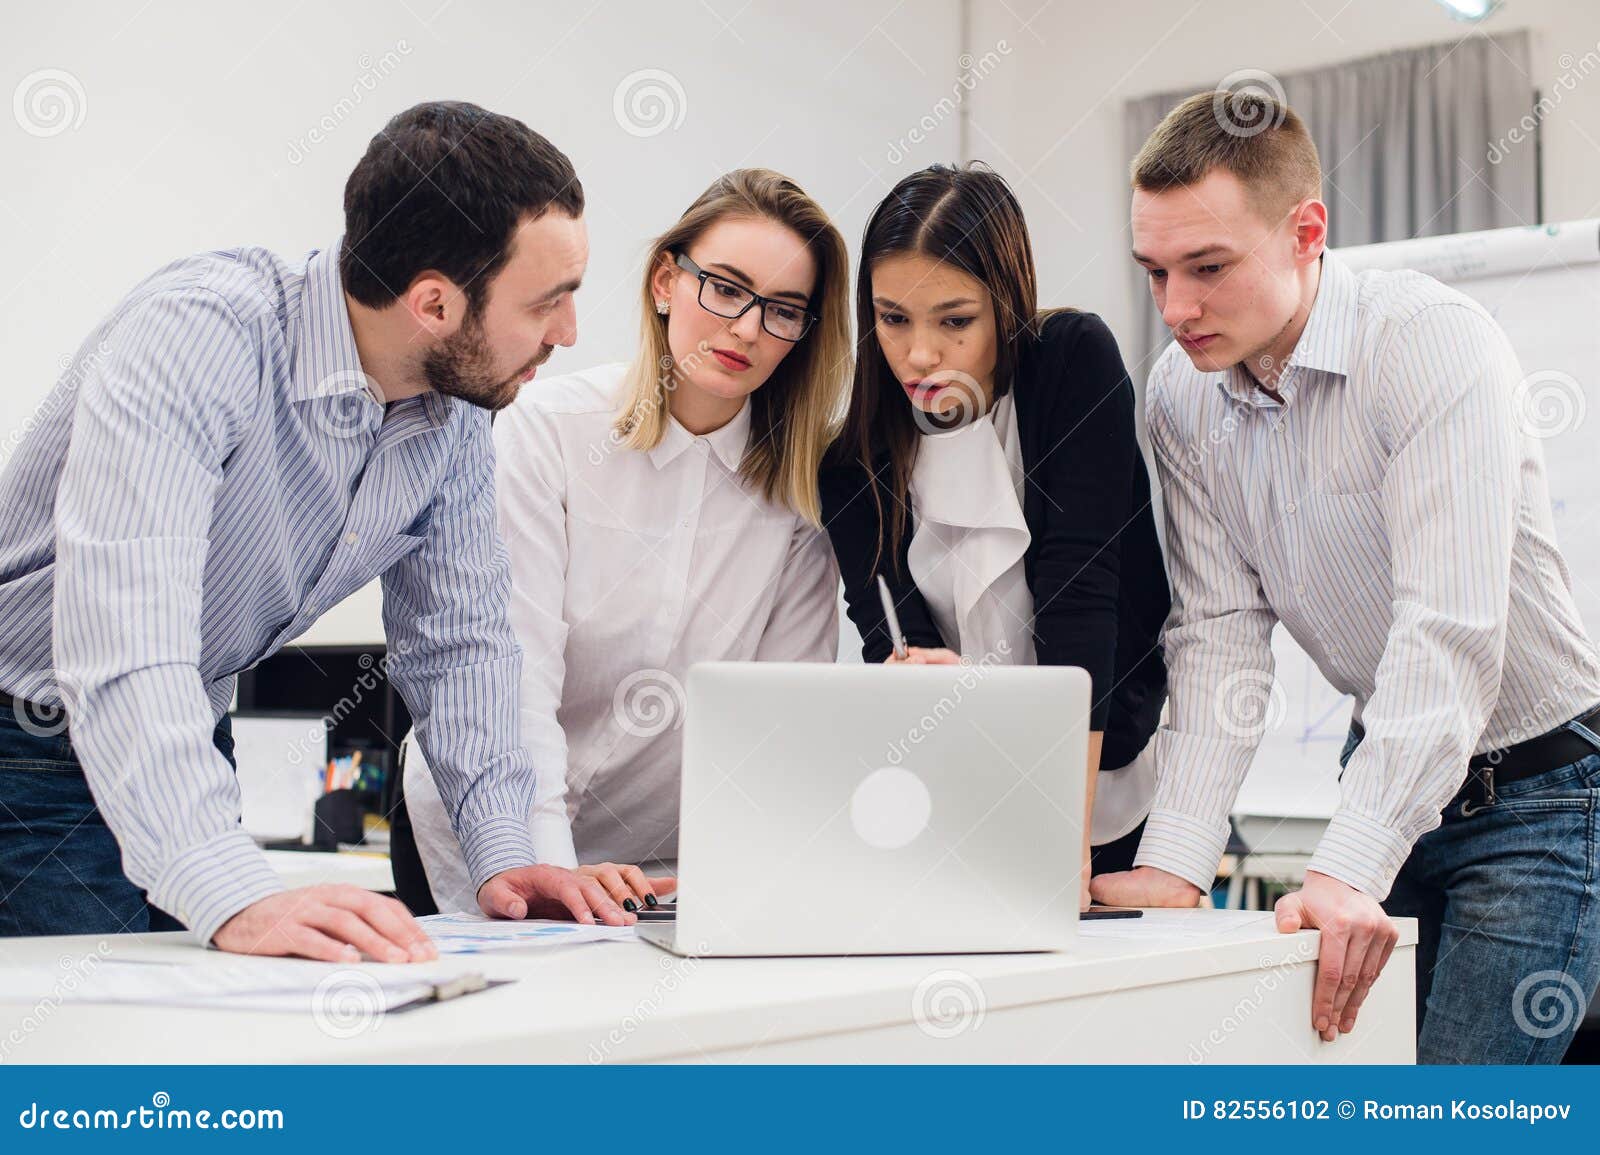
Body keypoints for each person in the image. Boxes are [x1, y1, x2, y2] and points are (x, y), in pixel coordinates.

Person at [0, 101, 638, 960]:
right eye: (548, 303)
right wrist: (230, 888)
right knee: (94, 1051)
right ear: (435, 303)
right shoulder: (196, 337)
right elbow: (125, 641)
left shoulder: (452, 415)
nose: (568, 333)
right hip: (28, 743)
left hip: (183, 734)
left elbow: (461, 643)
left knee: (207, 1033)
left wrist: (505, 853)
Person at [1094, 89, 1600, 1064]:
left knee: (1458, 1114)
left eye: (1207, 268)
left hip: (1544, 790)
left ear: (1305, 232)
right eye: (1153, 272)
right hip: (1389, 777)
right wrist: (1174, 857)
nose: (1175, 308)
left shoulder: (1426, 341)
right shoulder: (1178, 392)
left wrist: (1349, 863)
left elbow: (1446, 632)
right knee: (1354, 1088)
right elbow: (1219, 633)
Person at [400, 169, 851, 913]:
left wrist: (742, 880)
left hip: (662, 864)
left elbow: (776, 729)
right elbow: (516, 675)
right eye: (727, 288)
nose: (746, 328)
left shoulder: (800, 495)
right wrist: (548, 862)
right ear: (666, 281)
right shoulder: (546, 431)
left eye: (783, 310)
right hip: (493, 834)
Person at [819, 164, 1171, 910]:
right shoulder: (851, 468)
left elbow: (1083, 600)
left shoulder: (1073, 362)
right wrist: (913, 672)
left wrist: (1064, 843)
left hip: (1110, 786)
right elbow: (891, 644)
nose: (919, 354)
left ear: (1004, 304)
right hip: (963, 792)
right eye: (892, 318)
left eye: (954, 321)